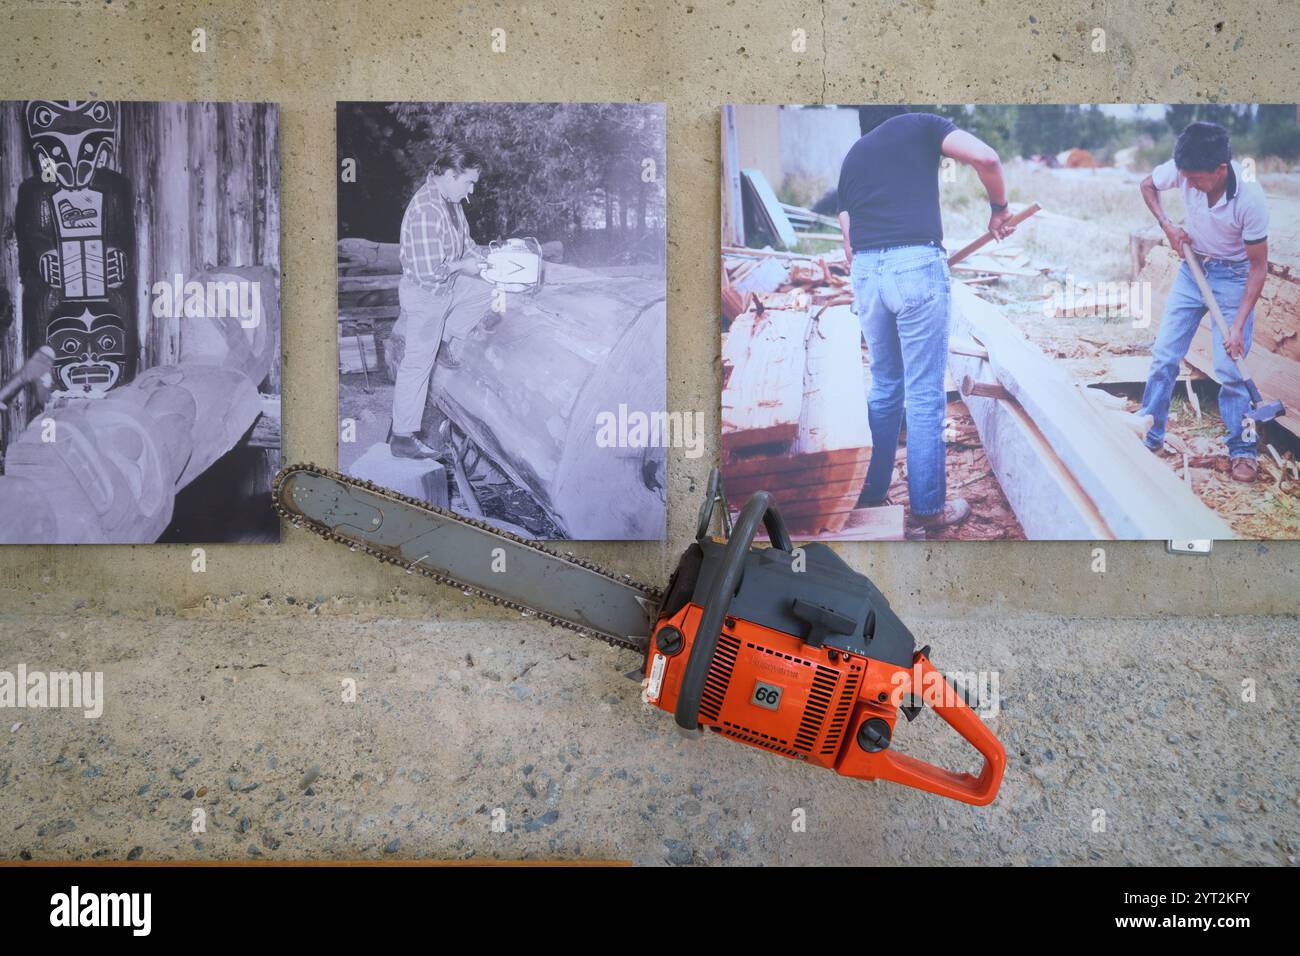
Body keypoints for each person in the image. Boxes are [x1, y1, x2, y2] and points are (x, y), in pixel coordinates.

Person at [838, 107, 1013, 536]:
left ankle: (873, 491)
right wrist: (999, 208)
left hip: (866, 271)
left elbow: (847, 238)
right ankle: (929, 509)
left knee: (884, 387)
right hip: (915, 263)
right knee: (924, 392)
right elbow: (987, 158)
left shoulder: (854, 155)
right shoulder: (920, 124)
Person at [1137, 121, 1270, 482]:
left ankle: (1242, 450)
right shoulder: (1185, 171)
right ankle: (1148, 435)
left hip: (1234, 276)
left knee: (1230, 370)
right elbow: (1147, 184)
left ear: (1221, 170)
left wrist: (1239, 325)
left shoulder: (1250, 199)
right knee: (1165, 353)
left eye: (1196, 179)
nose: (1189, 185)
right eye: (1185, 178)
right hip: (1192, 270)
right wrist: (1167, 224)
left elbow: (1259, 268)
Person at [389, 146, 493, 459]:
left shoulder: (452, 201)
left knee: (487, 291)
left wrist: (485, 260)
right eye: (469, 182)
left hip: (447, 287)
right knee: (417, 366)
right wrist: (465, 267)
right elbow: (429, 272)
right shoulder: (426, 209)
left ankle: (445, 342)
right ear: (450, 175)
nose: (472, 189)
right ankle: (402, 437)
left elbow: (466, 244)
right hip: (424, 295)